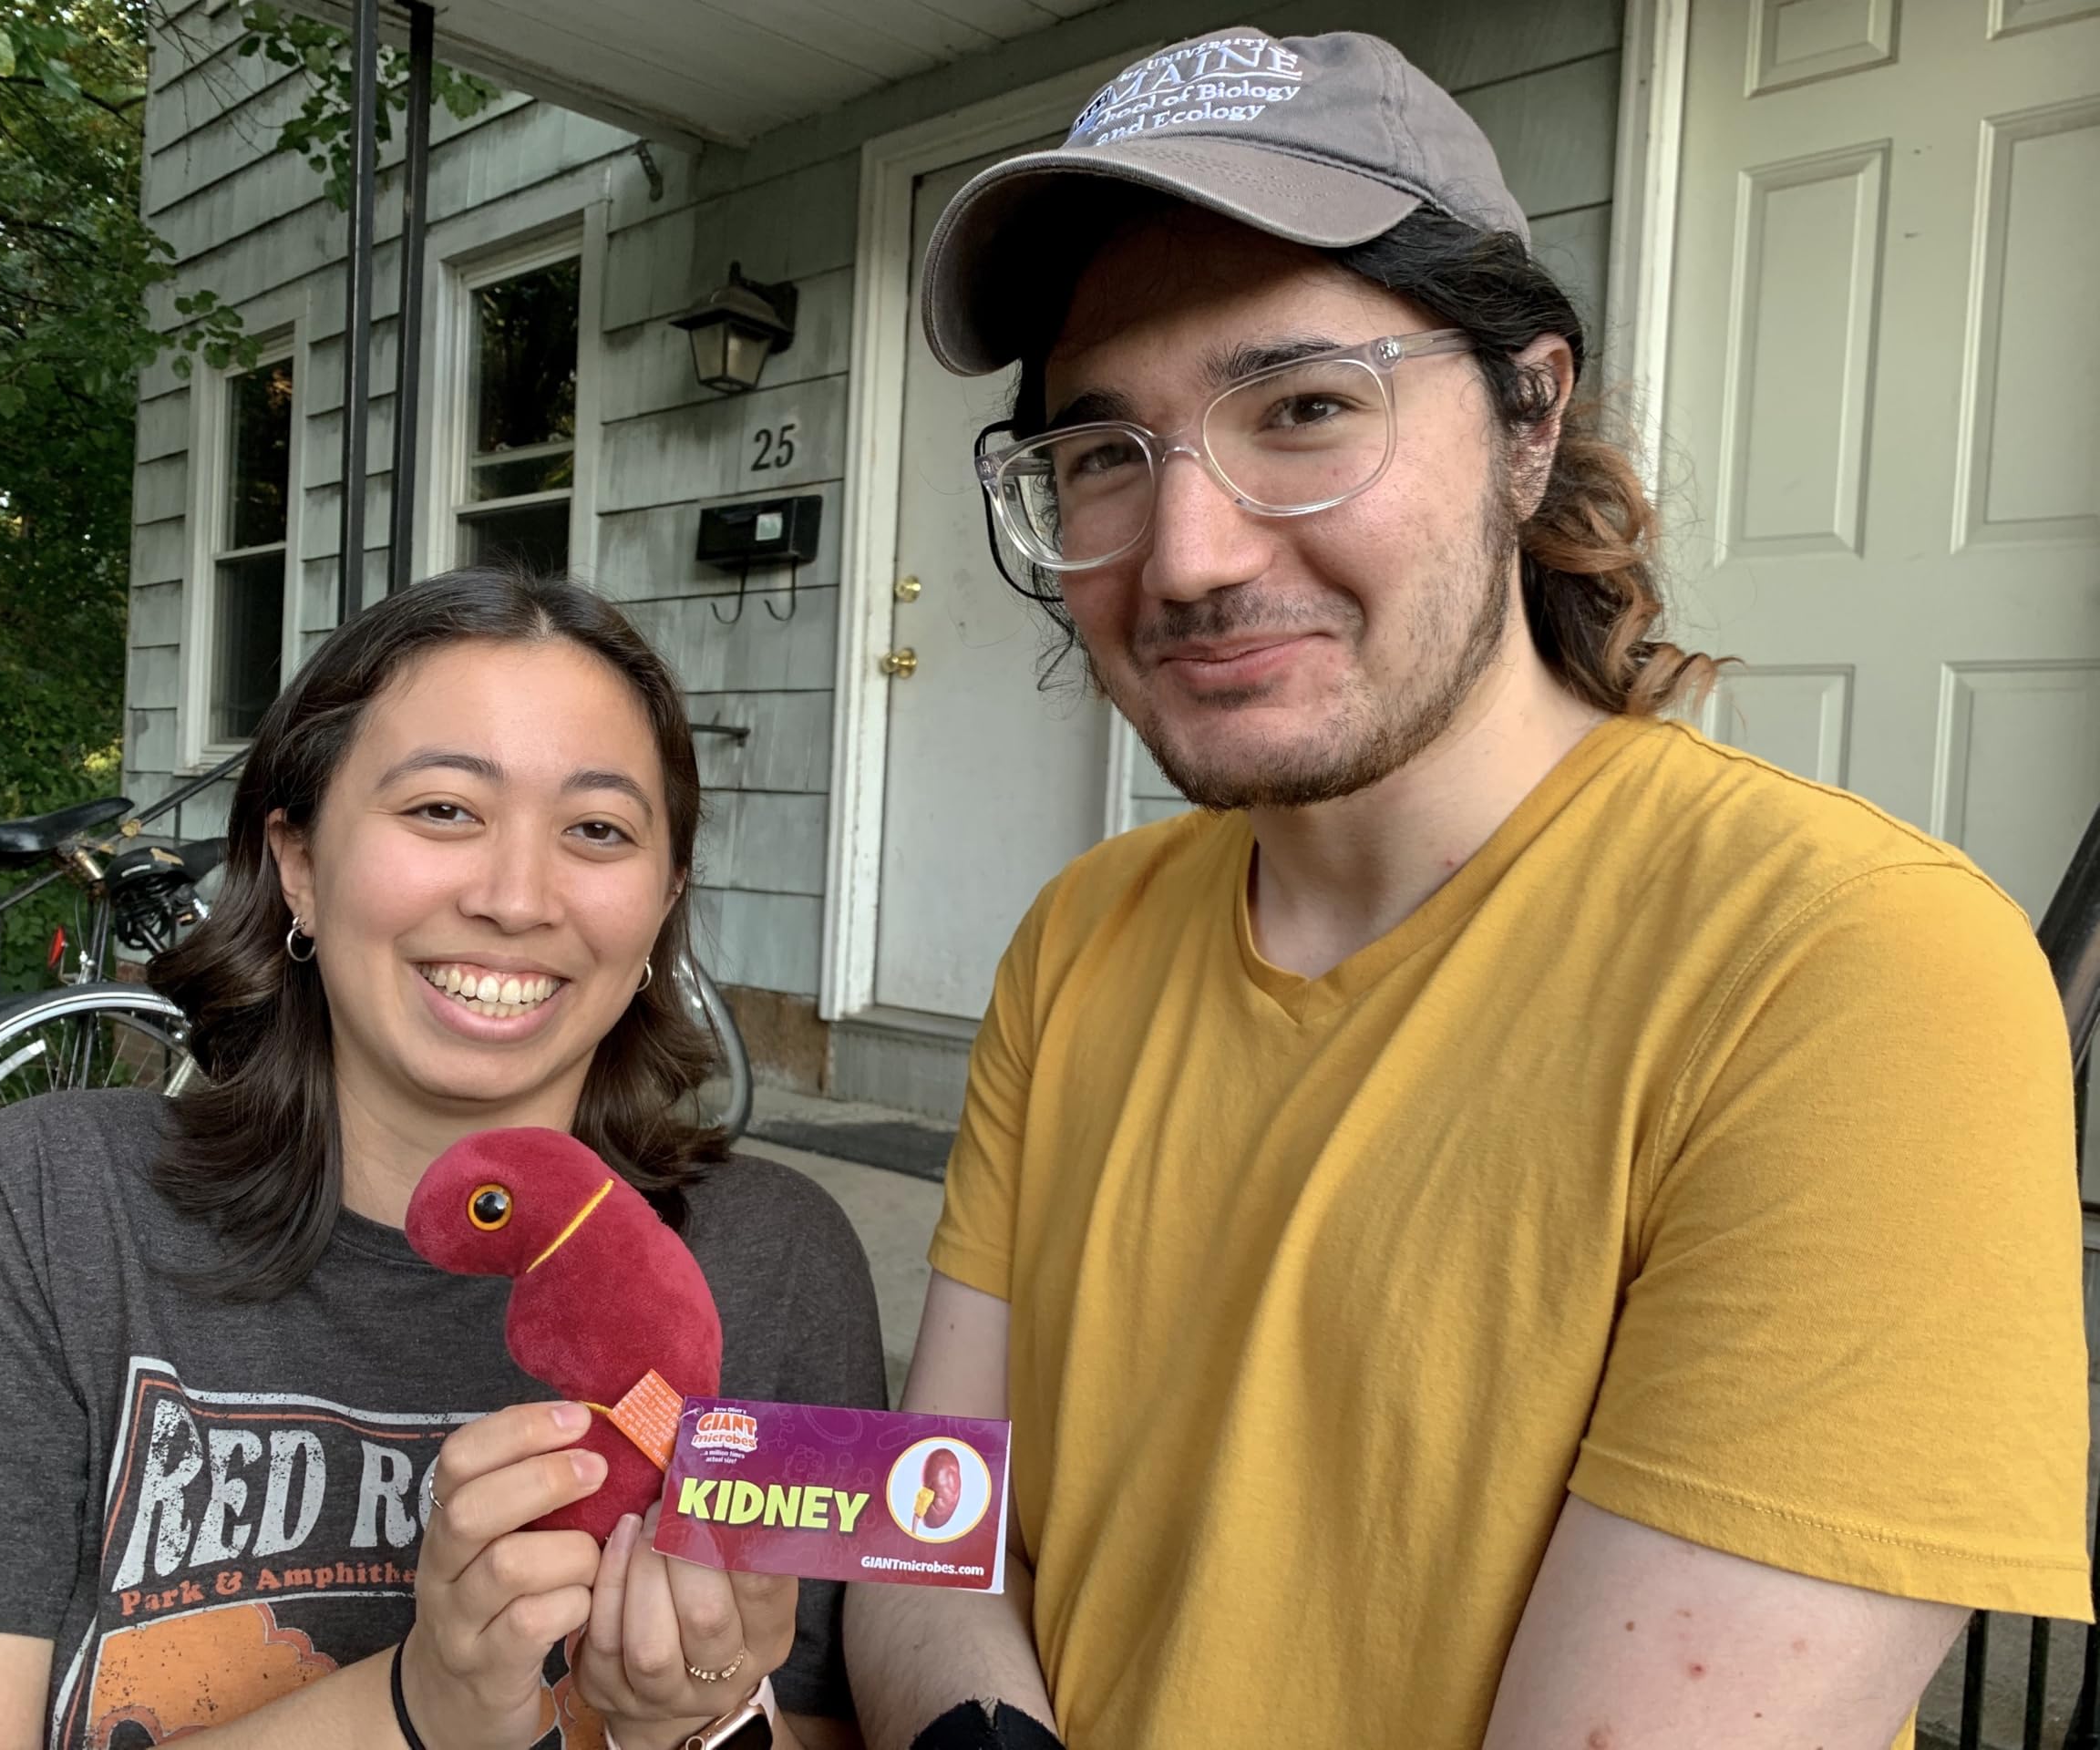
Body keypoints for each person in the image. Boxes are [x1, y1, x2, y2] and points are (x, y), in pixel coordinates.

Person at [844, 28, 2091, 1750]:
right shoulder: (1081, 937)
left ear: (1528, 417)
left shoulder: (1844, 970)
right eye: (1106, 452)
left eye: (1302, 410)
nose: (1189, 554)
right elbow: (931, 1541)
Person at [0, 569, 885, 1750]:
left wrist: (695, 1725)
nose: (515, 897)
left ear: (662, 900)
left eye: (597, 830)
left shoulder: (768, 1263)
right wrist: (417, 1709)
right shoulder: (41, 1218)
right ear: (297, 862)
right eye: (444, 809)